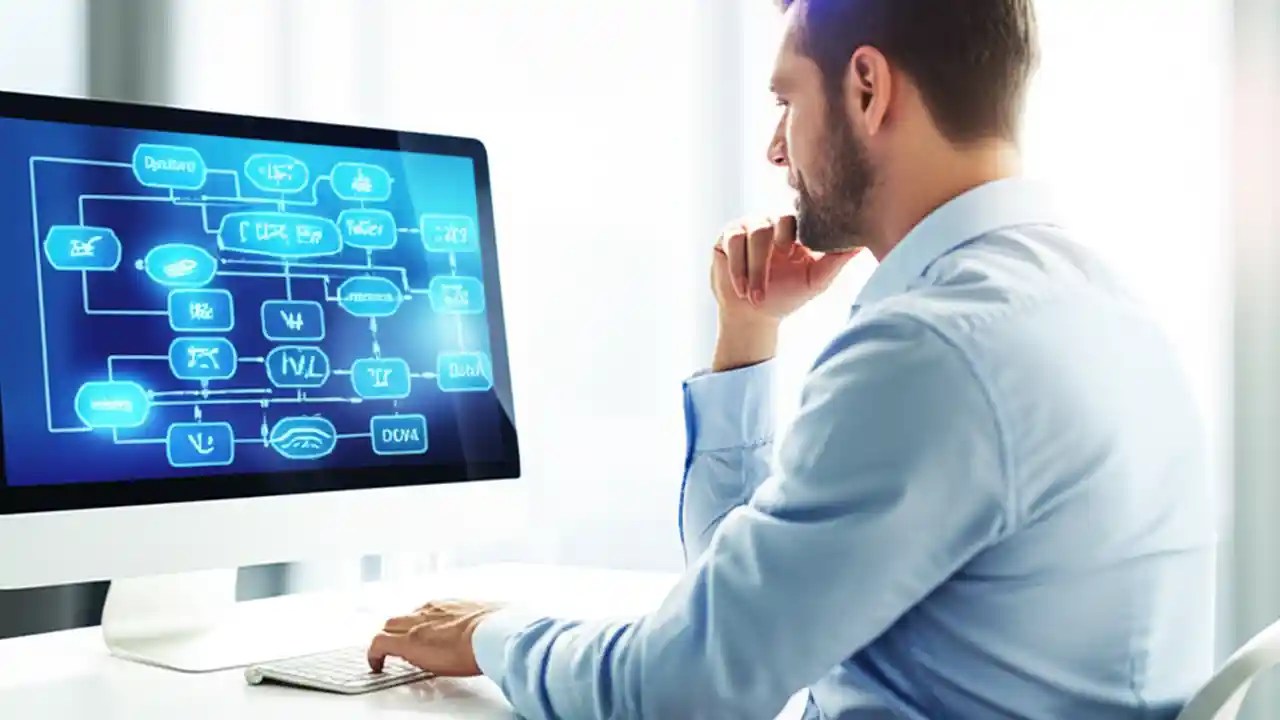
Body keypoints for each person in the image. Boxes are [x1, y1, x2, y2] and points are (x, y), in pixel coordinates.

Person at [367, 0, 1217, 717]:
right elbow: (746, 616)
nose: (777, 149)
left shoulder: (932, 351)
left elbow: (675, 690)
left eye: (787, 102)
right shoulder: (1099, 307)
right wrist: (748, 337)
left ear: (867, 88)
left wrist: (493, 633)